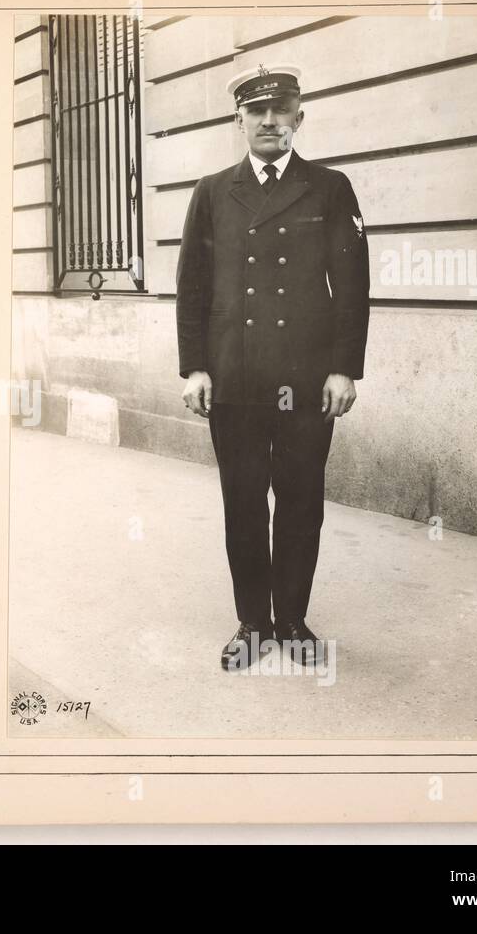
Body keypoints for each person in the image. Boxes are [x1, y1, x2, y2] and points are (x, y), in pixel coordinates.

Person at [175, 64, 370, 671]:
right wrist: (195, 367)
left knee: (301, 501)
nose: (268, 121)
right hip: (234, 377)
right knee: (242, 503)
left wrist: (344, 369)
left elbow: (353, 285)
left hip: (306, 380)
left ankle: (291, 619)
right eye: (256, 112)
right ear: (238, 121)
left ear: (298, 119)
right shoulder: (213, 191)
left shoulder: (330, 188)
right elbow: (192, 287)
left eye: (279, 110)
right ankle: (252, 624)